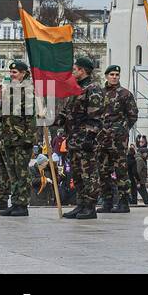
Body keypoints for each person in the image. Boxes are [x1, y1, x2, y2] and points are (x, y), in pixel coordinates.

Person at [0, 60, 36, 217]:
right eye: (11, 72)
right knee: (12, 173)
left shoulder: (29, 91)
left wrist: (28, 138)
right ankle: (15, 202)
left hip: (21, 139)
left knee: (22, 173)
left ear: (24, 73)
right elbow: (3, 114)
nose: (12, 75)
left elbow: (32, 118)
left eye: (15, 72)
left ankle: (23, 204)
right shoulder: (11, 91)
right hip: (9, 138)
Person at [61, 56, 104, 220]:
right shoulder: (76, 88)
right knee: (77, 174)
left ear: (82, 70)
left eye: (75, 69)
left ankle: (90, 207)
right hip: (73, 139)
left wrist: (91, 136)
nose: (73, 72)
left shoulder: (93, 89)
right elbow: (67, 112)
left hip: (86, 139)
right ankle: (80, 204)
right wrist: (52, 119)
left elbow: (96, 115)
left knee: (89, 174)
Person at [95, 65, 138, 214]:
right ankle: (107, 201)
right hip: (101, 139)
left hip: (118, 140)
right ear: (106, 76)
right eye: (112, 74)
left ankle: (124, 202)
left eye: (117, 74)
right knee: (103, 171)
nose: (114, 77)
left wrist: (122, 129)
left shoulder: (125, 94)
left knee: (121, 170)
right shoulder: (99, 93)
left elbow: (133, 115)